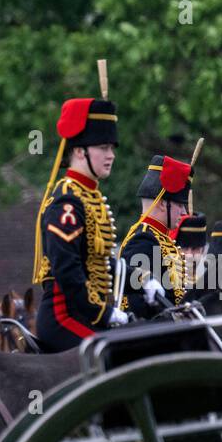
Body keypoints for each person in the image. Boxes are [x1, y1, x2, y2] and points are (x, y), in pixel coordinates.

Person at [32, 97, 121, 351]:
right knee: (115, 355)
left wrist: (142, 279)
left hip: (87, 316)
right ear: (80, 151)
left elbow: (99, 261)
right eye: (103, 147)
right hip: (64, 319)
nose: (111, 155)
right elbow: (68, 271)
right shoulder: (67, 204)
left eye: (112, 148)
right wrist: (105, 314)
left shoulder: (89, 196)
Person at [118, 153, 194, 320]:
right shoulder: (143, 240)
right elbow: (139, 308)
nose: (184, 212)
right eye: (180, 205)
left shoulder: (159, 238)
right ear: (161, 203)